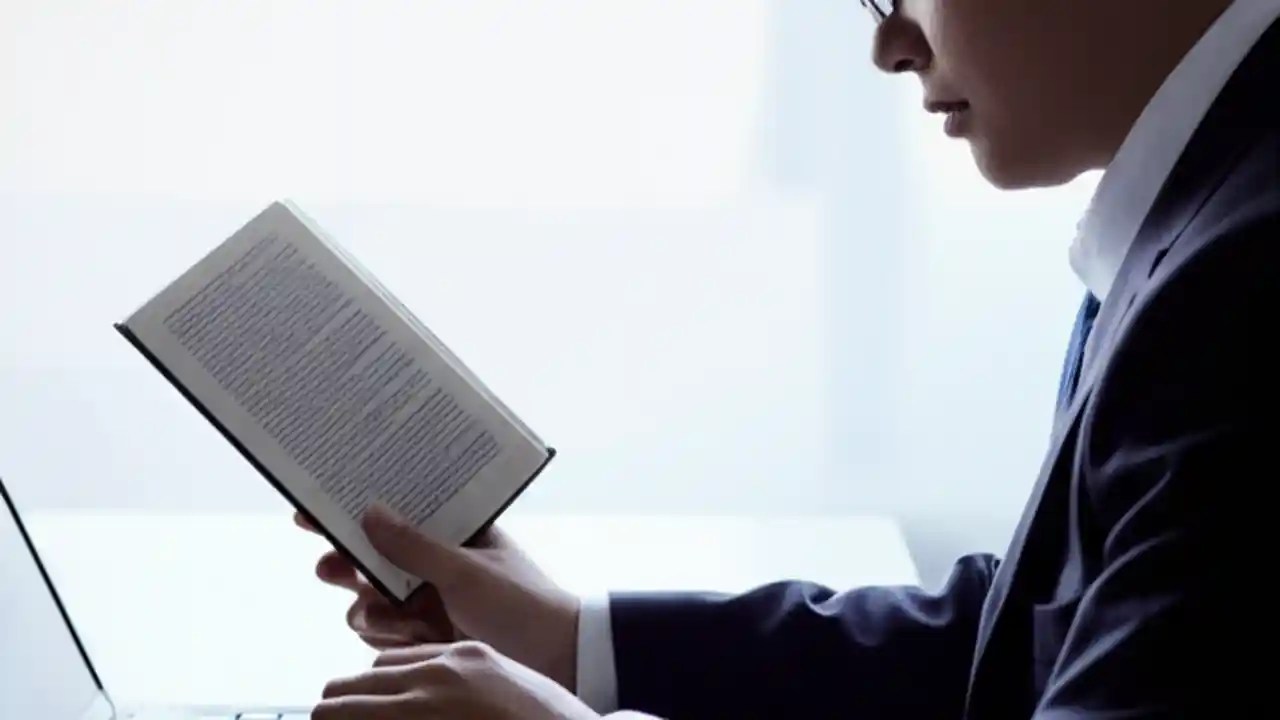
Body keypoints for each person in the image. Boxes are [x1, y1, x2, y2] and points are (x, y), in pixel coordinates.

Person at [304, 0, 1280, 717]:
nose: (889, 45)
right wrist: (570, 642)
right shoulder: (1212, 206)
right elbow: (1041, 636)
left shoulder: (1246, 270)